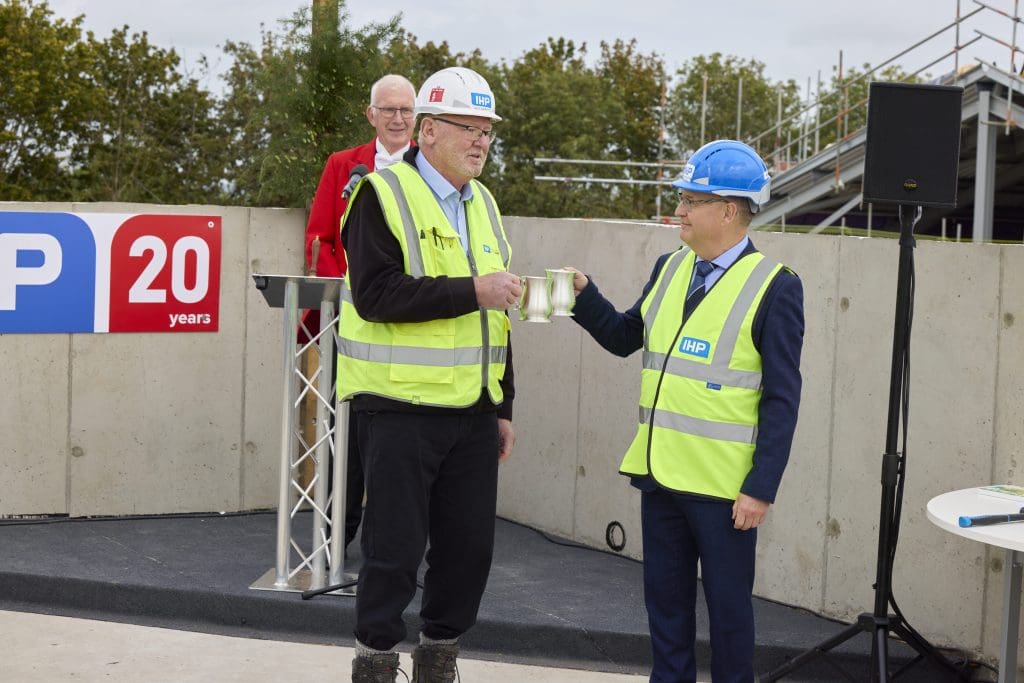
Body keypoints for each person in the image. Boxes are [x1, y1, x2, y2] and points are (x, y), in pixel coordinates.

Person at [567, 140, 804, 683]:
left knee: (729, 619)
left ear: (728, 210)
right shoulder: (670, 268)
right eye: (681, 195)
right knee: (666, 617)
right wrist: (585, 295)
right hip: (661, 478)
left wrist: (761, 486)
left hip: (725, 493)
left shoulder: (776, 286)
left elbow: (783, 397)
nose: (679, 208)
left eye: (691, 198)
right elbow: (627, 337)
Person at [336, 66, 520, 683]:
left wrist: (504, 404)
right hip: (398, 408)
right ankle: (376, 661)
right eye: (468, 128)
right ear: (428, 129)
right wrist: (473, 289)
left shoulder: (485, 204)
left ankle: (439, 657)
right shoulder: (380, 194)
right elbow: (376, 294)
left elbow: (498, 316)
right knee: (393, 554)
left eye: (488, 131)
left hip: (472, 410)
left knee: (469, 554)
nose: (480, 141)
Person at [303, 74, 416, 551]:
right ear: (371, 115)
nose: (397, 119)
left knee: (393, 442)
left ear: (419, 118)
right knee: (342, 436)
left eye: (405, 111)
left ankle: (390, 547)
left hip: (406, 327)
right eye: (387, 110)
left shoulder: (430, 169)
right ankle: (333, 540)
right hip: (347, 324)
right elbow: (317, 240)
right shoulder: (343, 166)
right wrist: (355, 288)